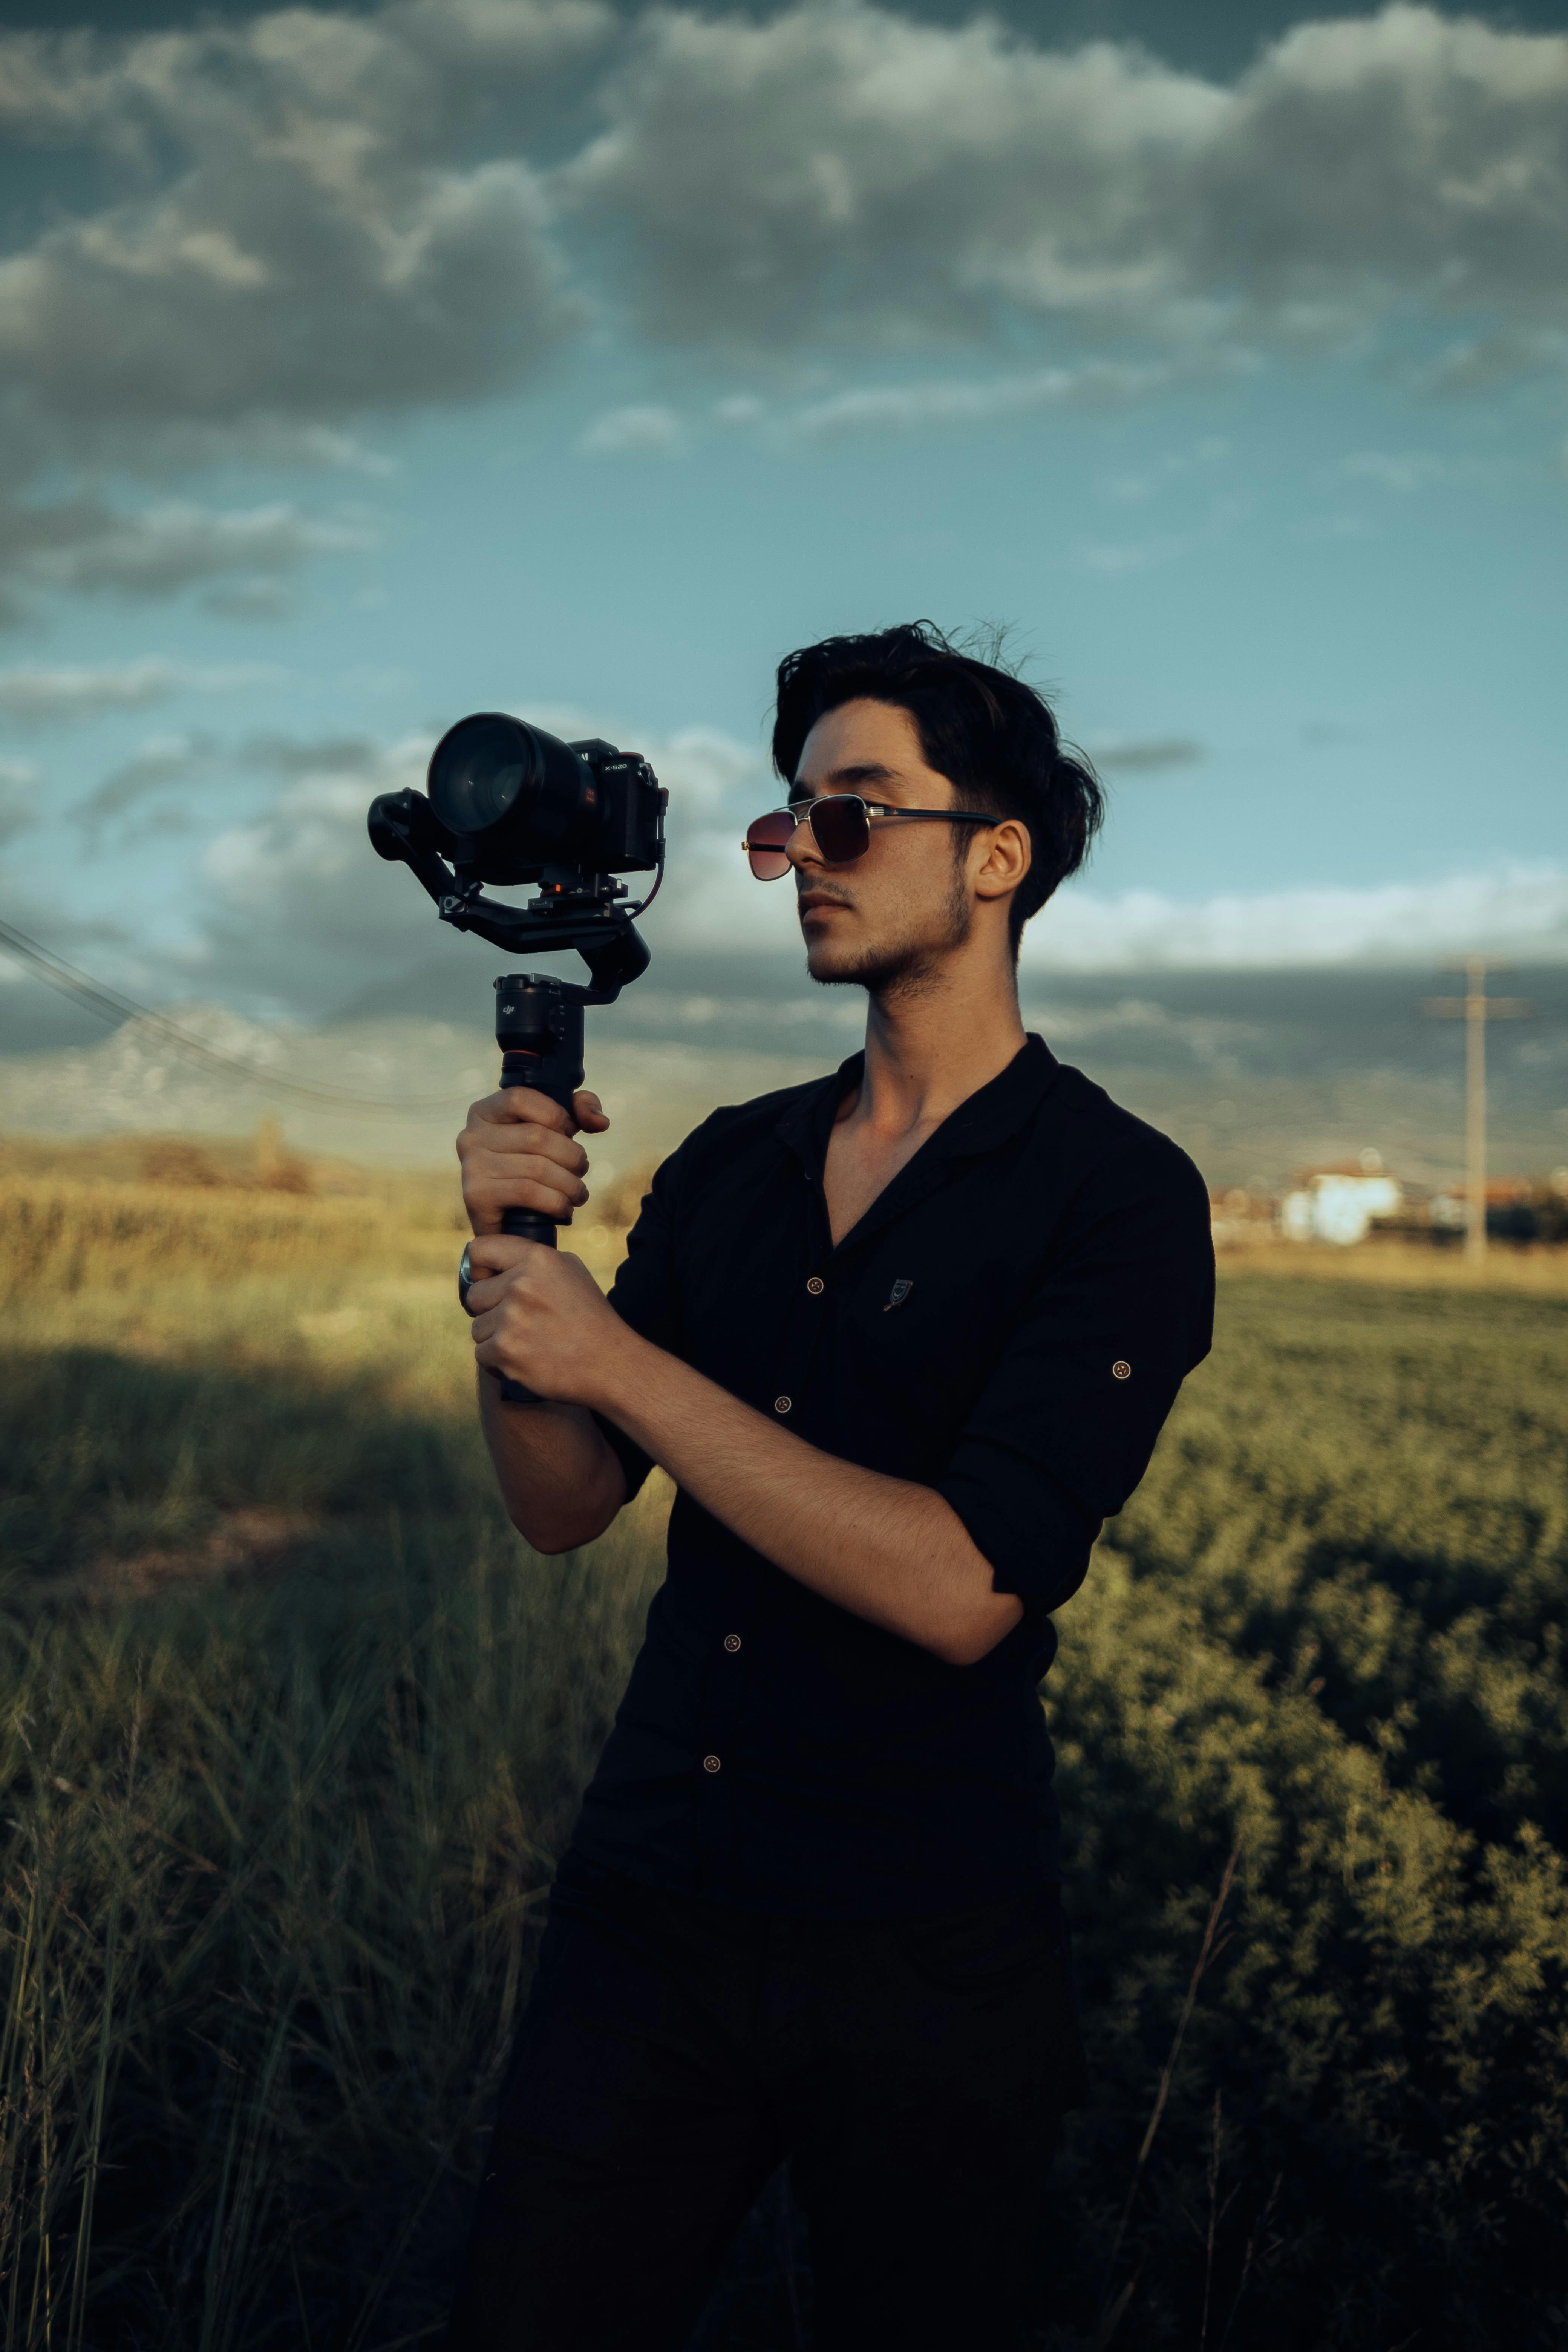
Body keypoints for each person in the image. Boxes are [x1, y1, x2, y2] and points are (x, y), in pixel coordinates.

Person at [444, 622, 1214, 2350]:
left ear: (995, 858)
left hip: (925, 1942)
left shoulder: (1114, 1197)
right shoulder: (731, 1162)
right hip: (650, 1903)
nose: (804, 858)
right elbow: (562, 1501)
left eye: (857, 814)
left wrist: (622, 1361)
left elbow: (962, 1588)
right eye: (790, 821)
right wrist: (505, 1261)